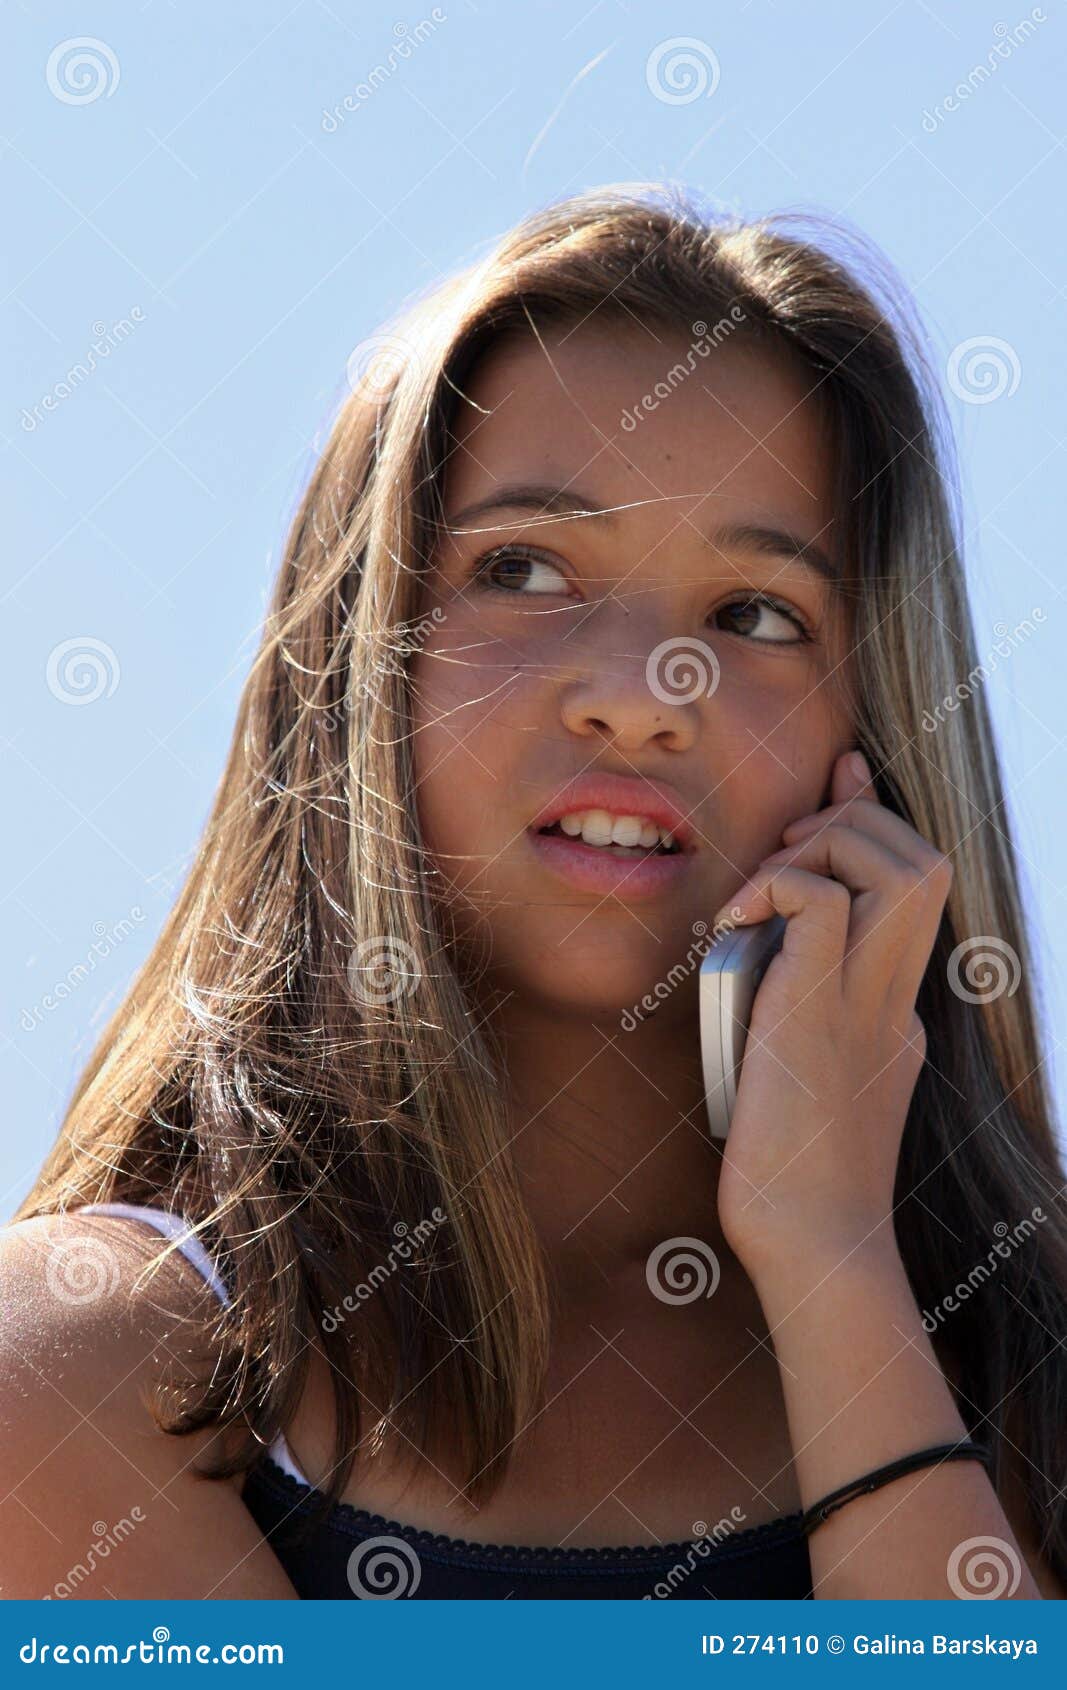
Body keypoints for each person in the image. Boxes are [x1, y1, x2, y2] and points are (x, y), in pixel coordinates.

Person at [3, 183, 1066, 1600]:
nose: (642, 697)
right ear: (357, 669)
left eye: (755, 613)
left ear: (873, 735)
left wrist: (834, 1263)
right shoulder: (66, 1366)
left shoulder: (1032, 1371)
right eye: (526, 568)